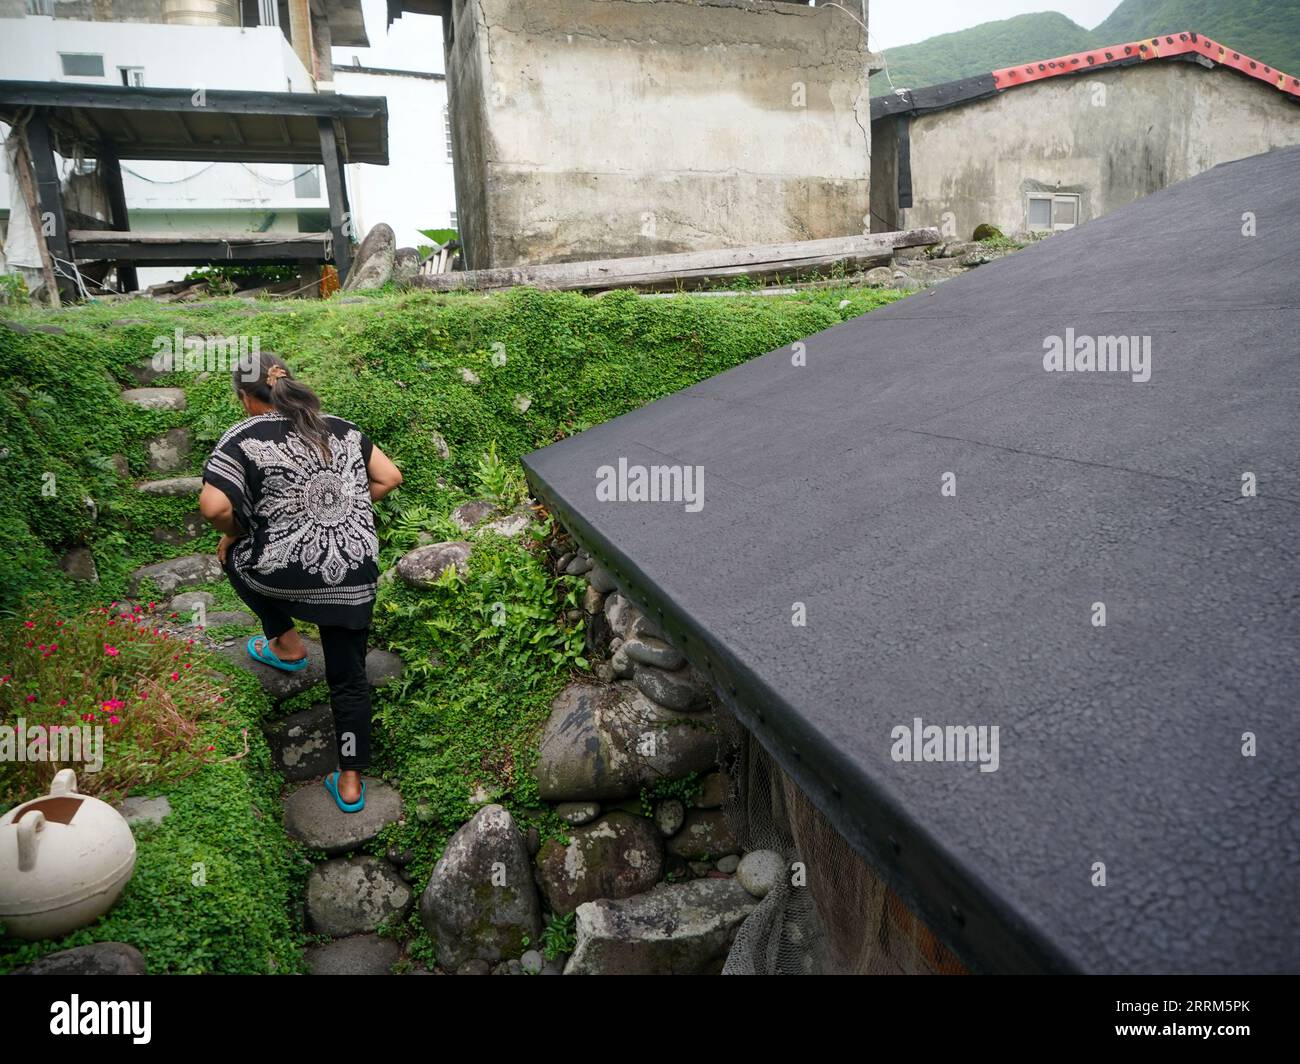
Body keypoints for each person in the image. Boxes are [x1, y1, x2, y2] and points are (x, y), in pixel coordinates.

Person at [198, 353, 403, 813]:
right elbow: (390, 477)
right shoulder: (343, 428)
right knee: (348, 678)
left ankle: (286, 644)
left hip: (286, 567)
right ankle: (351, 783)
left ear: (247, 398)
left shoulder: (243, 436)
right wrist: (345, 502)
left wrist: (238, 531)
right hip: (353, 567)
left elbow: (213, 509)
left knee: (234, 554)